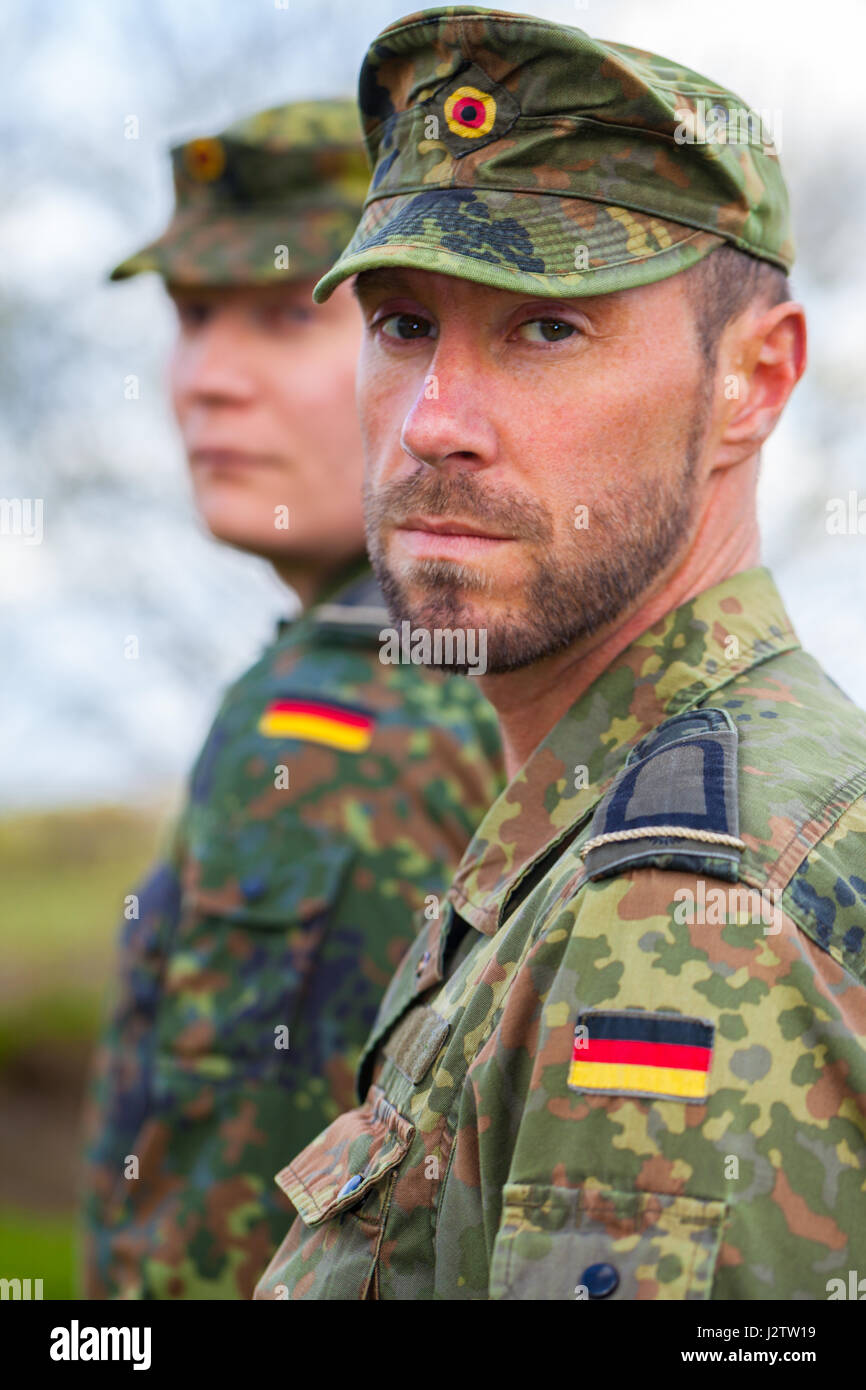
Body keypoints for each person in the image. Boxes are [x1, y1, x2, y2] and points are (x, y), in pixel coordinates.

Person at [255, 9, 866, 1301]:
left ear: (753, 380)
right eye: (404, 323)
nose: (434, 425)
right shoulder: (633, 806)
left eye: (545, 328)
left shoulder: (686, 912)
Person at [80, 97, 503, 1300]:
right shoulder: (476, 668)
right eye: (191, 316)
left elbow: (237, 1243)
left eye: (280, 317)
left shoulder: (340, 731)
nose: (208, 380)